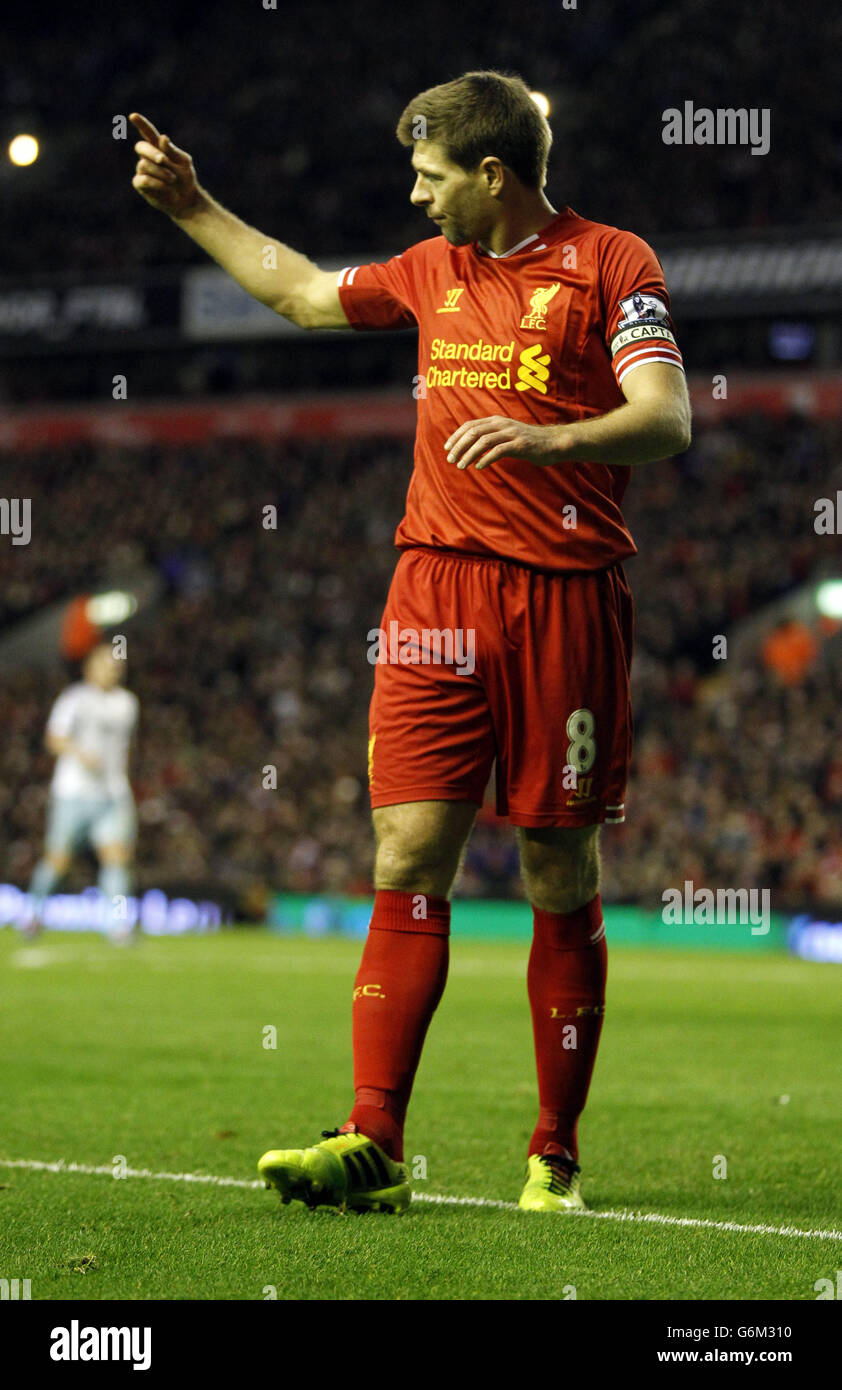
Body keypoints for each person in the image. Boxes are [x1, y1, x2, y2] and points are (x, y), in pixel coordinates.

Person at [130, 69, 690, 1215]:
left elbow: (666, 417)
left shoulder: (611, 262)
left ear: (493, 175)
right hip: (430, 595)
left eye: (430, 176)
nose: (413, 194)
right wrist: (193, 205)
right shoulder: (427, 273)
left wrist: (545, 441)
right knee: (405, 859)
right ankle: (372, 1134)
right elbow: (295, 292)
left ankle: (553, 1155)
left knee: (553, 869)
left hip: (564, 597)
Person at [27, 644, 139, 939]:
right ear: (90, 668)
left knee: (116, 857)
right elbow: (54, 739)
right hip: (73, 792)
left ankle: (117, 926)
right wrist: (80, 754)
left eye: (116, 666)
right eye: (106, 665)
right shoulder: (74, 699)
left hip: (112, 793)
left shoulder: (127, 703)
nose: (113, 670)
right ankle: (32, 915)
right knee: (58, 859)